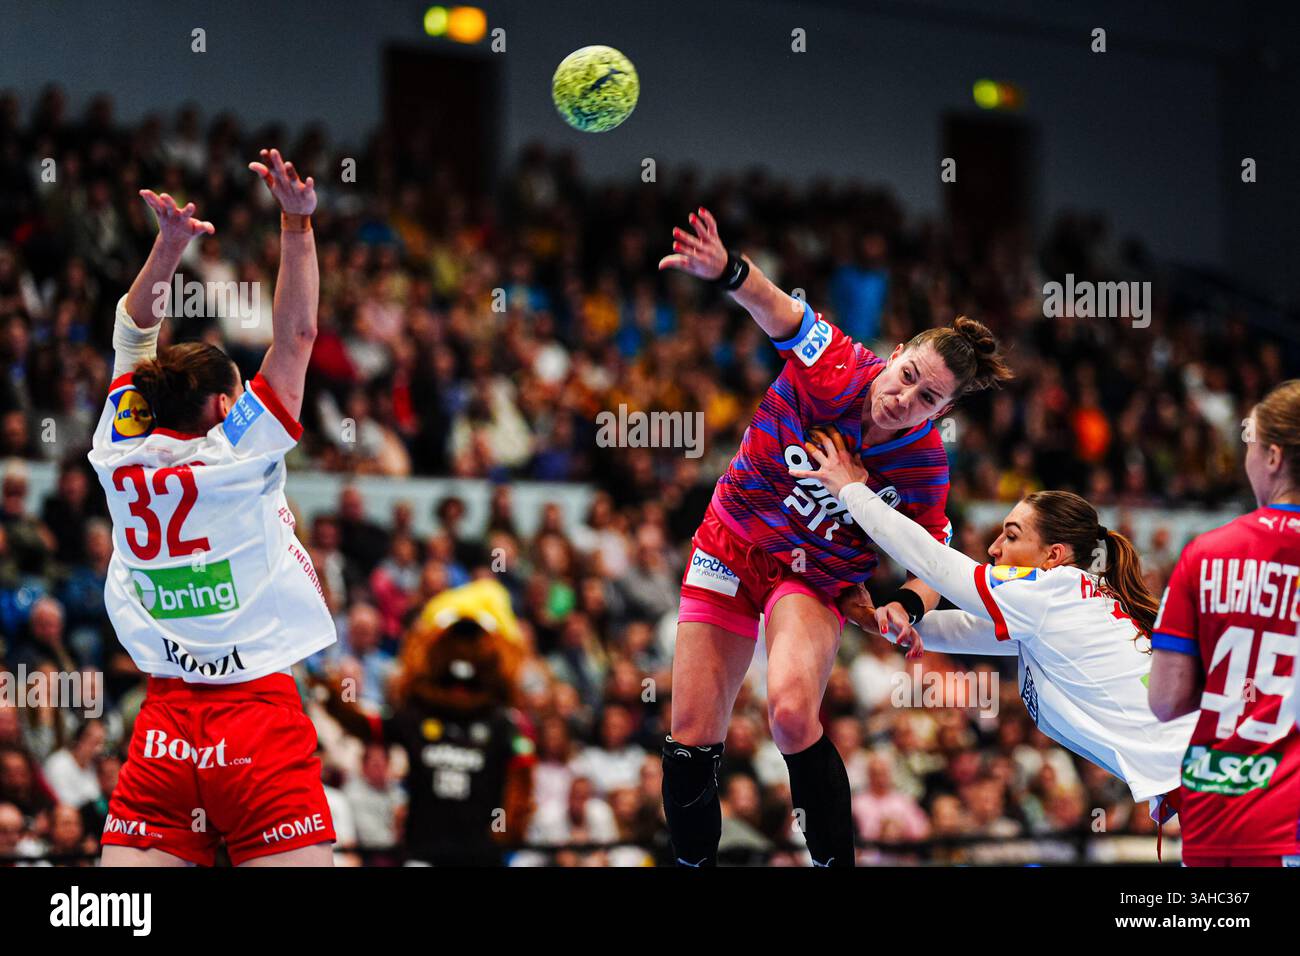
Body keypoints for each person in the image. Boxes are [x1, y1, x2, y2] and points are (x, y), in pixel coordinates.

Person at [656, 209, 1012, 866]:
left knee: (791, 715)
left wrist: (905, 609)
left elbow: (933, 557)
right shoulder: (838, 361)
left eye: (928, 399)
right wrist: (726, 270)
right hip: (729, 544)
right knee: (691, 738)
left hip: (813, 577)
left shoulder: (924, 466)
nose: (905, 398)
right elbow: (778, 310)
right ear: (897, 352)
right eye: (908, 376)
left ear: (944, 412)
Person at [89, 149, 337, 866]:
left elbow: (131, 333)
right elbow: (295, 337)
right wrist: (297, 225)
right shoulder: (239, 451)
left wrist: (166, 249)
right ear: (227, 405)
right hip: (255, 721)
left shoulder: (117, 444)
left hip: (165, 726)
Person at [792, 427, 1196, 830]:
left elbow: (936, 563)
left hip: (1207, 775)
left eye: (1012, 535)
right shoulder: (1059, 609)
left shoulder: (1053, 592)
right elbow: (958, 630)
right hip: (1199, 777)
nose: (994, 548)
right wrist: (874, 616)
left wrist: (850, 490)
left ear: (1053, 555)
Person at [1148, 380, 1300, 866]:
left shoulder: (1203, 553)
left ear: (1273, 457)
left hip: (1213, 806)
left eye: (1250, 445)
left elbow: (1166, 700)